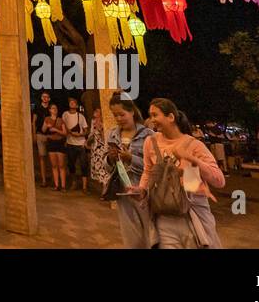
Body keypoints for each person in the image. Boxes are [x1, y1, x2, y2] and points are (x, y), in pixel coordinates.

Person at [129, 98, 225, 249]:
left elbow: (219, 180)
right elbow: (148, 172)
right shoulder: (150, 142)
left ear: (171, 117)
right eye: (150, 115)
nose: (151, 120)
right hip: (163, 217)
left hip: (193, 215)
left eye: (155, 115)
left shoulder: (194, 144)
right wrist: (141, 189)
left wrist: (190, 159)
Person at [105, 97, 155, 248]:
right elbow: (107, 168)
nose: (119, 118)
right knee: (130, 236)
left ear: (132, 112)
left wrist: (130, 158)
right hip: (123, 192)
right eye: (115, 115)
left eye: (122, 114)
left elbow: (153, 167)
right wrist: (110, 159)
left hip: (144, 192)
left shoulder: (148, 135)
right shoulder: (113, 134)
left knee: (151, 234)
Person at [61, 97, 89, 192]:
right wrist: (69, 133)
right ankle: (74, 182)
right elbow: (63, 125)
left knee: (83, 165)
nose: (72, 104)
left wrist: (80, 134)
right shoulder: (65, 114)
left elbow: (86, 130)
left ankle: (85, 186)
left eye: (74, 103)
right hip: (70, 143)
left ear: (77, 106)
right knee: (71, 164)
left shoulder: (81, 116)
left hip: (80, 143)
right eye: (70, 102)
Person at [42, 103, 67, 191]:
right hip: (51, 143)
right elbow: (43, 130)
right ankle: (57, 185)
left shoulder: (61, 120)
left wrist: (55, 129)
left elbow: (65, 133)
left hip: (60, 142)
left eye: (55, 108)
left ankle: (63, 186)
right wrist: (47, 125)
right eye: (52, 108)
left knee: (61, 165)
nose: (54, 109)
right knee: (54, 165)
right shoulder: (47, 119)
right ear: (49, 110)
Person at [87, 107, 110, 193]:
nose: (95, 112)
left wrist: (100, 129)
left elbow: (106, 137)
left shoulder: (105, 122)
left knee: (104, 169)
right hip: (95, 149)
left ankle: (105, 191)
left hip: (102, 148)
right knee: (97, 170)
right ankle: (103, 190)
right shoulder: (93, 122)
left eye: (97, 111)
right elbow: (91, 134)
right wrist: (87, 142)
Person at [33, 90, 53, 187]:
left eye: (47, 97)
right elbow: (34, 121)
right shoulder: (37, 108)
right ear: (41, 98)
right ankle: (44, 179)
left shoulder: (51, 108)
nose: (45, 98)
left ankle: (52, 178)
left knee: (51, 158)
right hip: (40, 134)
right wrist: (33, 134)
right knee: (42, 157)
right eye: (43, 96)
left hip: (51, 135)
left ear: (49, 99)